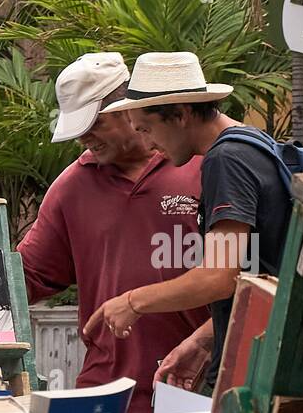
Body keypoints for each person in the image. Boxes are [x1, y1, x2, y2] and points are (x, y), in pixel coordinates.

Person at [18, 52, 208, 413]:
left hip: (199, 395)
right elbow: (26, 277)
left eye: (93, 123)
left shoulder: (203, 166)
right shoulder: (71, 188)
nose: (83, 137)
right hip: (109, 399)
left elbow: (247, 271)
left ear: (124, 106)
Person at [85, 51, 290, 394]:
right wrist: (204, 340)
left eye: (148, 129)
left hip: (260, 374)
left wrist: (133, 301)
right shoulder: (254, 144)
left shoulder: (227, 161)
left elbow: (218, 276)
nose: (148, 144)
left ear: (180, 114)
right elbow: (260, 272)